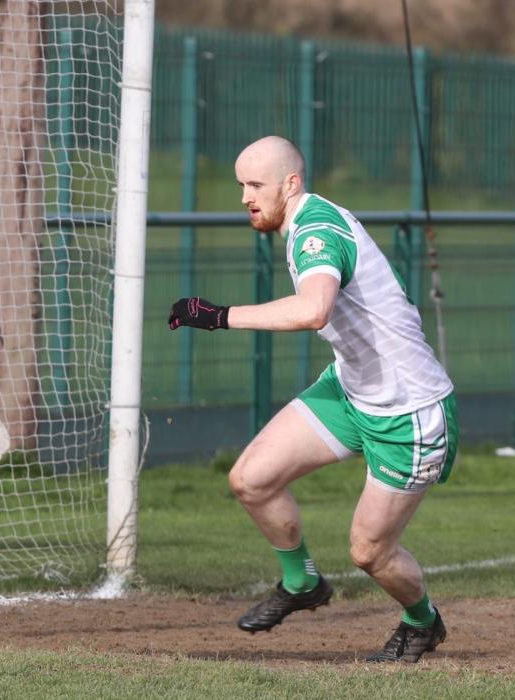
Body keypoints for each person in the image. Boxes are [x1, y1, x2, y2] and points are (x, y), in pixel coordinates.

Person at [169, 135, 458, 663]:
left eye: (255, 185)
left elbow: (313, 310)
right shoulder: (304, 222)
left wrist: (218, 315)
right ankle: (302, 583)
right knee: (250, 479)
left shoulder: (316, 232)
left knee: (370, 553)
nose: (245, 197)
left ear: (291, 183)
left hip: (408, 413)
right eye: (241, 185)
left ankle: (423, 622)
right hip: (351, 389)